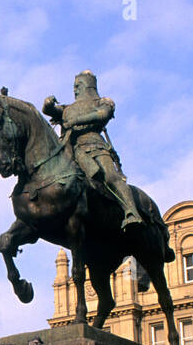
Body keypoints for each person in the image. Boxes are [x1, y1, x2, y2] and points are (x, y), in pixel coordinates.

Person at [43, 71, 143, 229]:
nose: (75, 90)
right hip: (71, 151)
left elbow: (102, 115)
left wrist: (75, 121)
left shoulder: (103, 101)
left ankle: (131, 211)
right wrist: (47, 104)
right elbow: (48, 111)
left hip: (94, 146)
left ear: (86, 86)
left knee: (110, 177)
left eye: (78, 86)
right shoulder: (67, 109)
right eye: (74, 87)